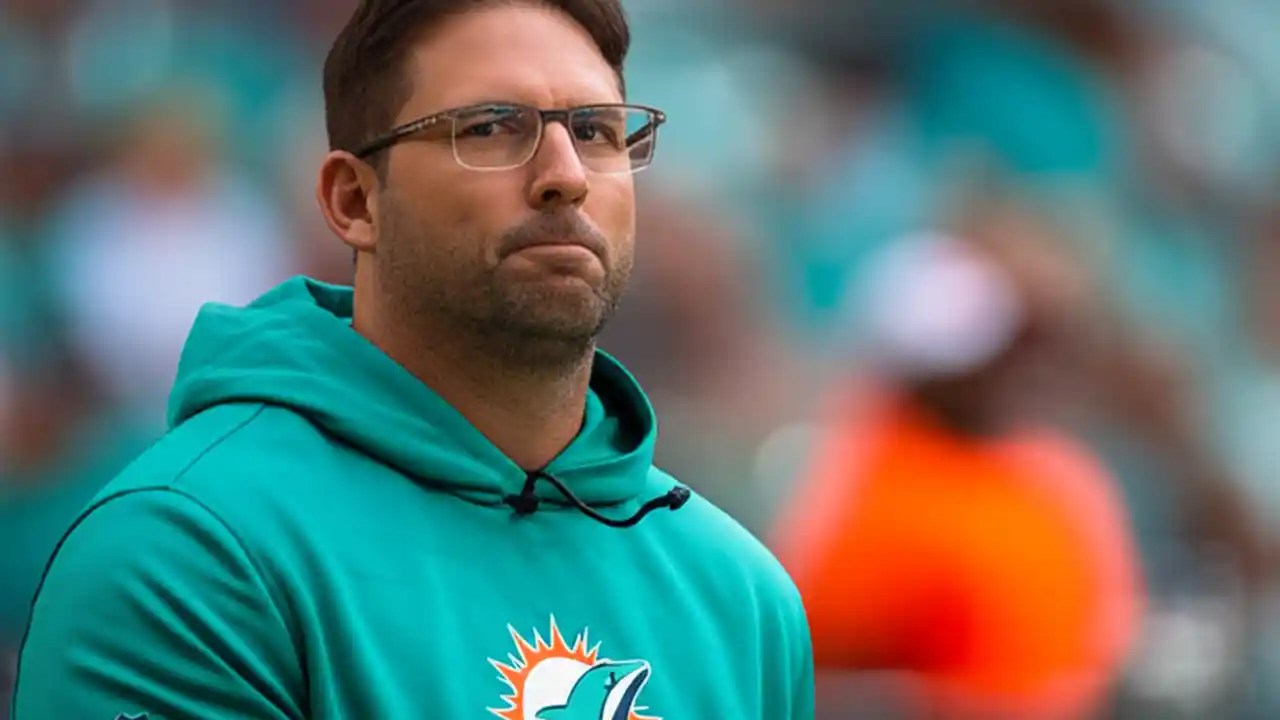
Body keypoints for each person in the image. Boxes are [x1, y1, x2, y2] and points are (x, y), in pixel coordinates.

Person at [11, 2, 814, 718]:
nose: (565, 176)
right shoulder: (193, 554)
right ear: (354, 201)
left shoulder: (740, 597)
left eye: (597, 132)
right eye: (492, 127)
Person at [772, 231, 1142, 719]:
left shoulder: (1056, 475)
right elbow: (823, 664)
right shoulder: (864, 485)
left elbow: (1105, 645)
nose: (996, 378)